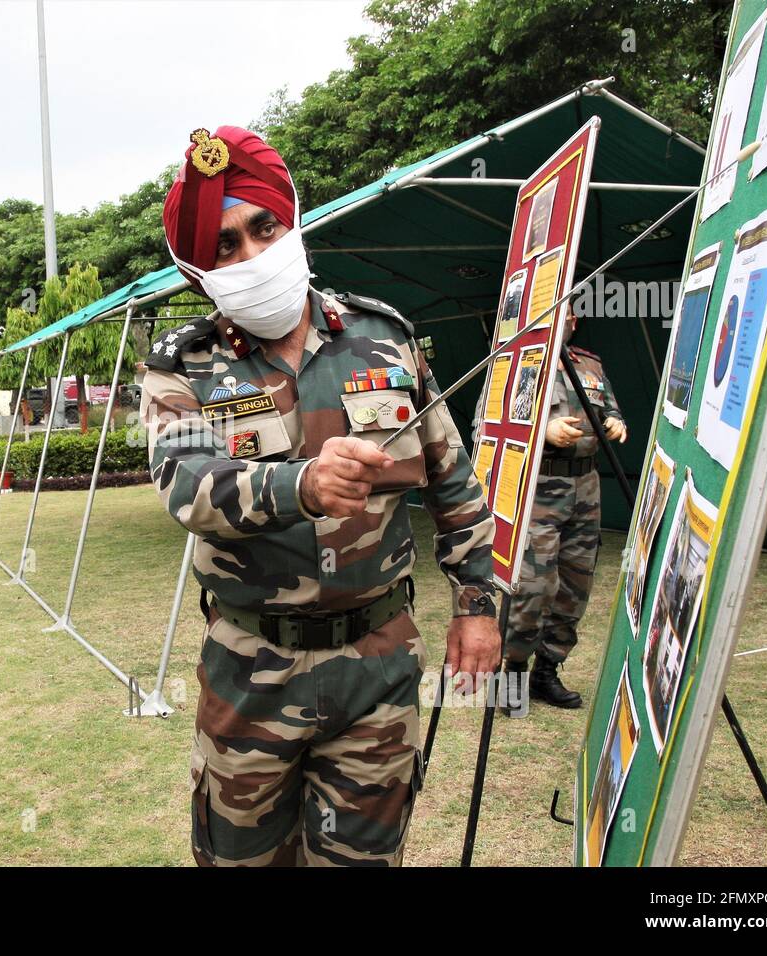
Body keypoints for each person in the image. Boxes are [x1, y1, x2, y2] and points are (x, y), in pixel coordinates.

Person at [141, 126, 500, 867]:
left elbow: (452, 478)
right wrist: (302, 483)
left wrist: (476, 604)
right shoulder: (182, 367)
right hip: (251, 671)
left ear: (292, 220)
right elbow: (185, 486)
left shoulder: (385, 338)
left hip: (379, 664)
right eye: (224, 247)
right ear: (199, 272)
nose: (250, 256)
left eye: (263, 228)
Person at [489, 319, 626, 715]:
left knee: (574, 585)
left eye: (568, 313)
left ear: (574, 320)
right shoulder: (515, 361)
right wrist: (541, 430)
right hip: (537, 488)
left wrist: (616, 421)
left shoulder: (589, 364)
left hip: (585, 488)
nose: (560, 320)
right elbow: (490, 422)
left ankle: (547, 671)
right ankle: (513, 671)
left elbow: (610, 407)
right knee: (533, 587)